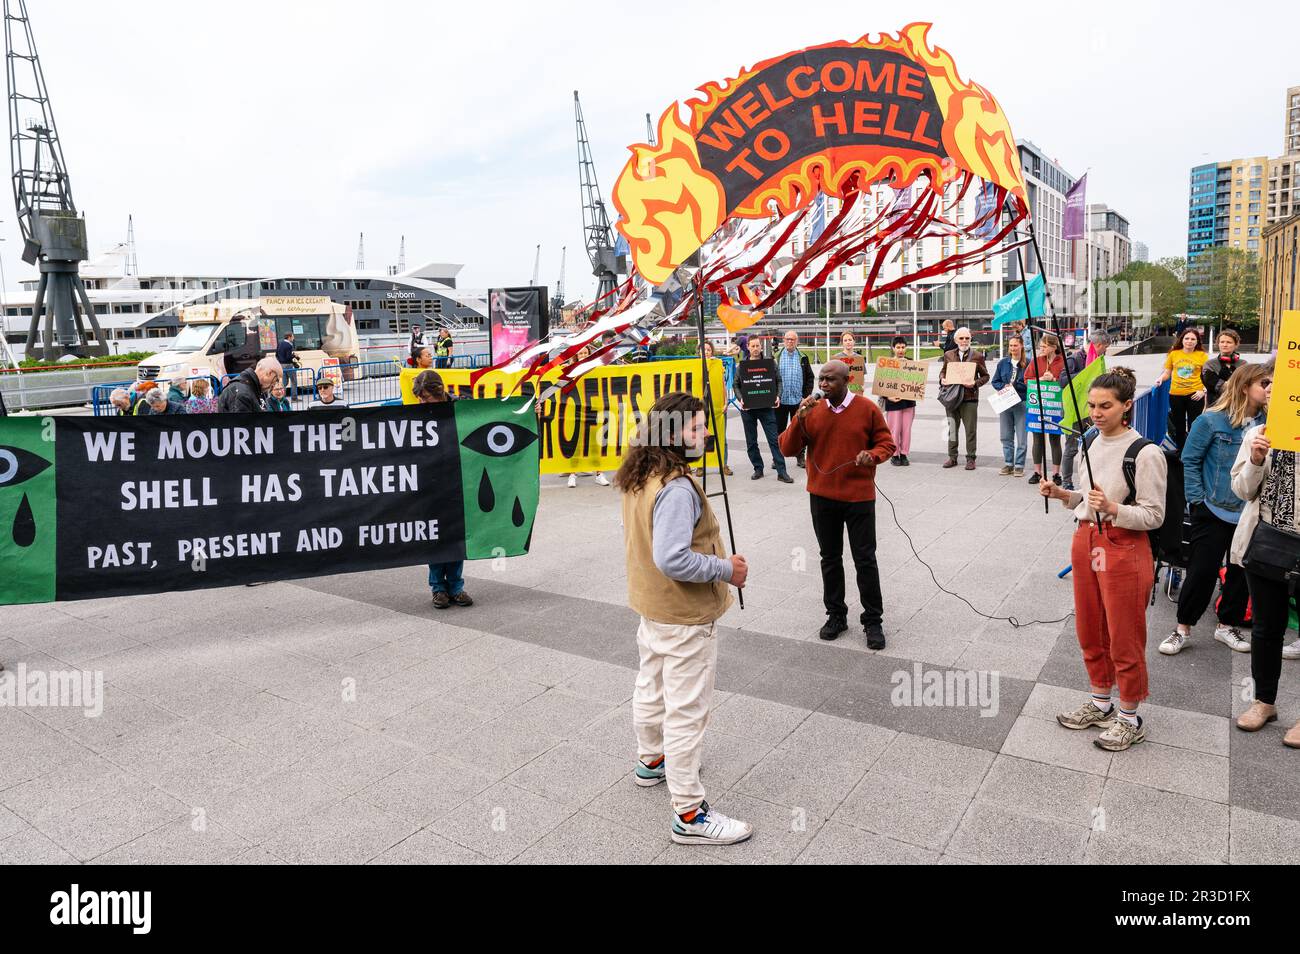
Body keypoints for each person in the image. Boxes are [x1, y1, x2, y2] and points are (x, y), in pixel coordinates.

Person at [616, 391, 752, 846]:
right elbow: (673, 559)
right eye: (697, 427)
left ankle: (651, 760)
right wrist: (725, 570)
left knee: (650, 686)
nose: (707, 433)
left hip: (653, 609)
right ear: (673, 433)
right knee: (687, 711)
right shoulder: (674, 487)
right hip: (683, 616)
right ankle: (689, 813)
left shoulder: (643, 472)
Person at [1041, 367, 1167, 752]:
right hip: (1087, 541)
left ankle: (1130, 716)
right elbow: (1085, 496)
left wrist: (1113, 508)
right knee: (1090, 629)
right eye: (1093, 405)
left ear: (1127, 405)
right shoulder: (1089, 442)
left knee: (1123, 634)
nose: (1096, 412)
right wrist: (1063, 495)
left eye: (1105, 406)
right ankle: (1100, 701)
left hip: (1125, 547)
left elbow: (1153, 515)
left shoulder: (1145, 452)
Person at [779, 359, 896, 648]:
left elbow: (887, 444)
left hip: (858, 497)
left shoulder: (867, 408)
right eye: (821, 379)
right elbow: (786, 447)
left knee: (864, 559)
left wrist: (873, 455)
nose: (823, 385)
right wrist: (799, 418)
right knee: (829, 559)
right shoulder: (812, 410)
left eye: (830, 380)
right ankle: (836, 615)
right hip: (821, 496)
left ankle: (873, 621)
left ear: (848, 381)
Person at [1159, 363, 1270, 656]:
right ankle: (1182, 628)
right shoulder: (1210, 421)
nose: (1270, 389)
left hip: (1249, 511)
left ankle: (1227, 625)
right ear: (1245, 386)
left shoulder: (1270, 425)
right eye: (1264, 383)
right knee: (1202, 570)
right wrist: (1197, 501)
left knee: (1239, 571)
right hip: (1212, 508)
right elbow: (1190, 460)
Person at [1231, 407, 1300, 743]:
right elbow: (1243, 491)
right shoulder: (1260, 433)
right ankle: (1264, 701)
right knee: (1265, 628)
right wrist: (1257, 459)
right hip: (1268, 543)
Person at [414, 370, 474, 609]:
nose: (422, 402)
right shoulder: (416, 413)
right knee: (436, 536)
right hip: (430, 483)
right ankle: (438, 588)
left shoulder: (463, 407)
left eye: (426, 398)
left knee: (455, 536)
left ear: (440, 393)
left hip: (458, 481)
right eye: (419, 398)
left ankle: (456, 587)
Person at [737, 336, 791, 483]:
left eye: (757, 346)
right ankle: (758, 468)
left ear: (761, 346)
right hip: (748, 408)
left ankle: (782, 471)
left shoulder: (769, 363)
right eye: (753, 346)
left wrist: (778, 396)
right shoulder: (742, 365)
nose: (755, 349)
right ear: (747, 347)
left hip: (767, 407)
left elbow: (778, 380)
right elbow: (736, 384)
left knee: (774, 440)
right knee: (751, 441)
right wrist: (740, 398)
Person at [939, 326, 988, 470]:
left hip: (969, 398)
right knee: (952, 428)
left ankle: (971, 458)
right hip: (952, 398)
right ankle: (952, 457)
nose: (964, 341)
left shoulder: (977, 356)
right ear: (956, 340)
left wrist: (975, 383)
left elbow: (985, 376)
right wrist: (943, 379)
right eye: (961, 338)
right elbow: (943, 372)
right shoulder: (948, 354)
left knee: (970, 430)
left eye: (967, 338)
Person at [1154, 329, 1208, 451]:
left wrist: (1203, 390)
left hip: (1195, 394)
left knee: (1194, 425)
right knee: (1179, 425)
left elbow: (1206, 376)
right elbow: (1167, 372)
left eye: (1193, 339)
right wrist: (1160, 379)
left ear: (1197, 341)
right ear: (1182, 340)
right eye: (1187, 338)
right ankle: (1181, 451)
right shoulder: (1174, 354)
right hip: (1176, 394)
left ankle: (1193, 451)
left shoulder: (1202, 356)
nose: (1189, 341)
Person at [1025, 332, 1066, 486]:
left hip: (1055, 406)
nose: (1040, 349)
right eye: (1040, 346)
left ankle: (1056, 473)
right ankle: (1037, 472)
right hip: (1038, 406)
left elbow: (1068, 380)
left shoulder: (1063, 362)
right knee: (1037, 439)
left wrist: (1054, 379)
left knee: (1055, 438)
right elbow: (1026, 379)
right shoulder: (1036, 361)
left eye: (1043, 346)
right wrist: (1040, 379)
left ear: (1053, 347)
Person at [774, 330, 813, 468]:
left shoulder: (803, 357)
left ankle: (800, 456)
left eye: (793, 339)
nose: (790, 341)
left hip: (798, 401)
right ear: (783, 340)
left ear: (797, 341)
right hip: (781, 401)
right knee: (779, 430)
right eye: (788, 339)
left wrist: (806, 395)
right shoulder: (776, 357)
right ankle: (777, 458)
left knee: (800, 430)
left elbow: (810, 378)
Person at [991, 333, 1029, 476]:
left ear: (1021, 346)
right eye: (1011, 345)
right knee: (1005, 435)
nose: (1013, 348)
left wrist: (1017, 386)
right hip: (1005, 402)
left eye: (1015, 345)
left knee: (1021, 436)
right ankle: (1008, 464)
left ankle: (1019, 465)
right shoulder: (1003, 363)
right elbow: (995, 381)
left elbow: (1030, 384)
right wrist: (1004, 386)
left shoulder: (1029, 363)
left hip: (1021, 402)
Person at [882, 336, 916, 467]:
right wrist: (887, 397)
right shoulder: (887, 364)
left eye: (903, 347)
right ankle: (895, 455)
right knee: (894, 429)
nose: (901, 350)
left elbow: (916, 382)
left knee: (906, 429)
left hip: (908, 402)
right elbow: (882, 384)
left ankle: (904, 453)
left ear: (906, 348)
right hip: (893, 402)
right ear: (893, 348)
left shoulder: (912, 364)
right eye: (898, 347)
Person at [1201, 330, 1243, 406]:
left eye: (1229, 342)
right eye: (1222, 342)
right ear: (1218, 344)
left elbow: (1245, 385)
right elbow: (1214, 385)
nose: (1225, 345)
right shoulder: (1210, 364)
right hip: (1215, 405)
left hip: (1237, 405)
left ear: (1236, 344)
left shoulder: (1243, 364)